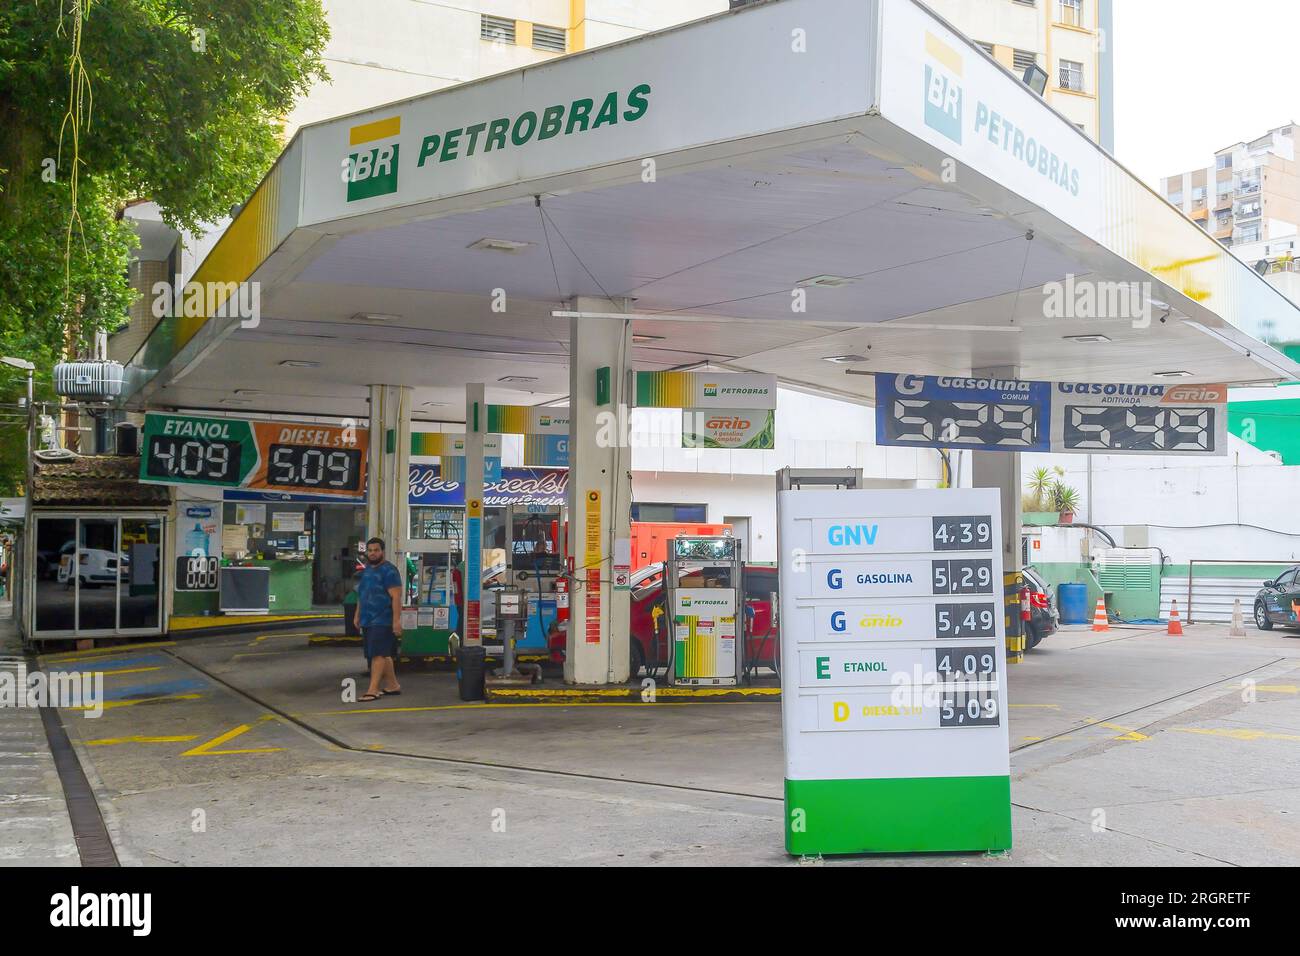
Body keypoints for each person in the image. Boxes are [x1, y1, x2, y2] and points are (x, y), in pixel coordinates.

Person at [352, 536, 402, 702]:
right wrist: (357, 614)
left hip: (382, 619)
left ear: (383, 552)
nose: (372, 553)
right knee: (382, 654)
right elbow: (362, 594)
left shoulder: (390, 571)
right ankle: (393, 685)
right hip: (367, 619)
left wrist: (396, 621)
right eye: (370, 550)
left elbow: (396, 597)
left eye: (376, 550)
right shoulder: (366, 570)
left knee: (378, 655)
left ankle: (372, 689)